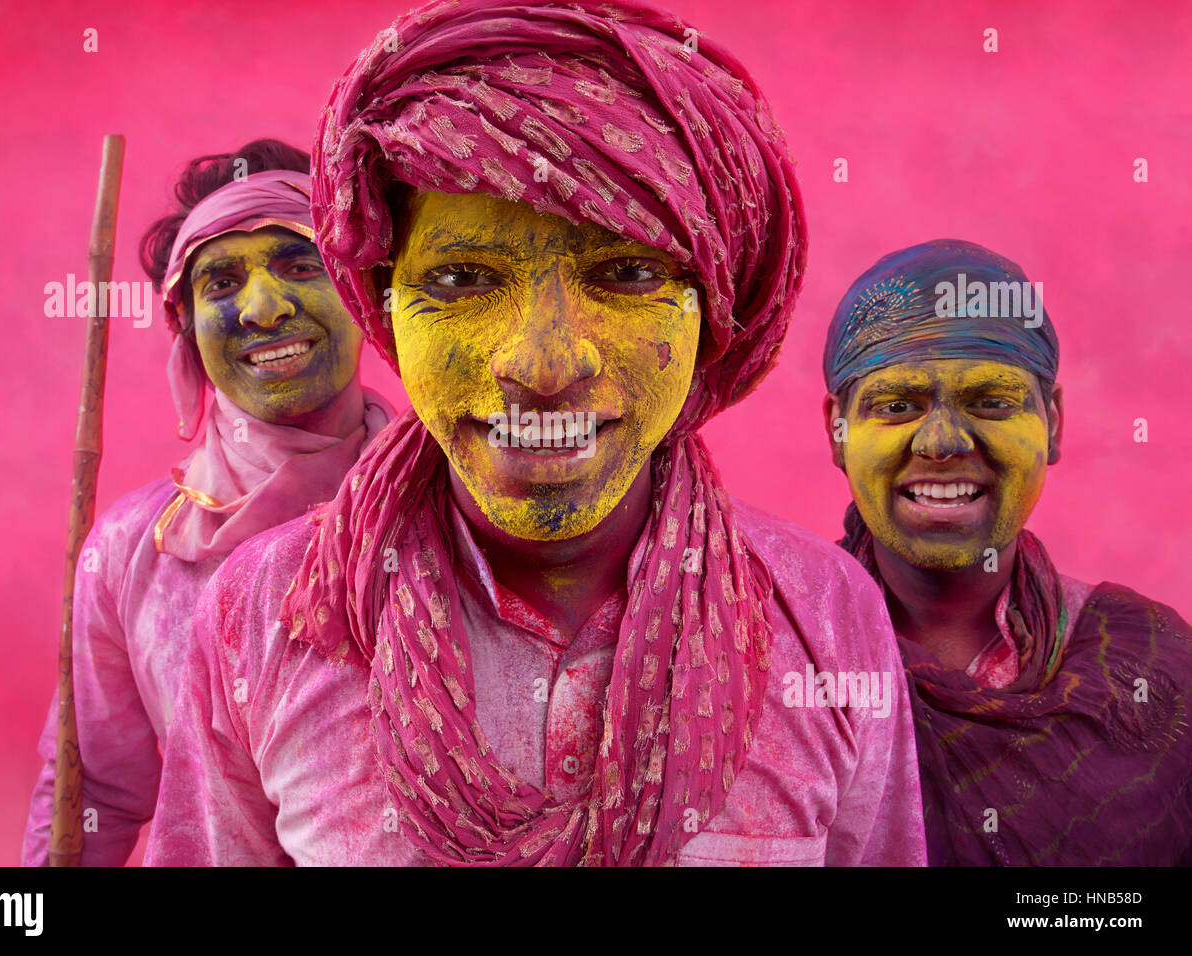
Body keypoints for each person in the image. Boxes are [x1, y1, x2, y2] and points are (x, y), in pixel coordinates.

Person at [146, 0, 923, 867]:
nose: (544, 363)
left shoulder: (822, 615)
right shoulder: (265, 613)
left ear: (713, 317)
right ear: (386, 303)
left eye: (626, 273)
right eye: (464, 277)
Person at [22, 140, 393, 865]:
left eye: (299, 264)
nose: (263, 306)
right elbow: (95, 791)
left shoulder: (453, 506)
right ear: (185, 329)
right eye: (221, 282)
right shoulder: (132, 550)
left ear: (361, 291)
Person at [822, 238, 1192, 865]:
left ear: (1052, 423)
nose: (940, 441)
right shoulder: (771, 653)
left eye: (991, 401)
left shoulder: (1153, 660)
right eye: (896, 405)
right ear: (837, 431)